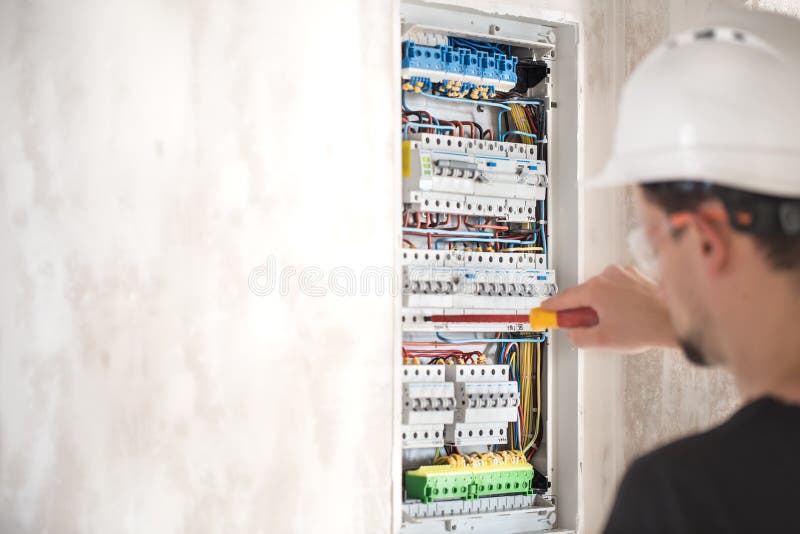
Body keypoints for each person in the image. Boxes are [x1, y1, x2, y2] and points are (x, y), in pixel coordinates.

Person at [540, 7, 800, 534]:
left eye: (652, 241)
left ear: (706, 237)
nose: (655, 271)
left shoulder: (685, 499)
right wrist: (676, 320)